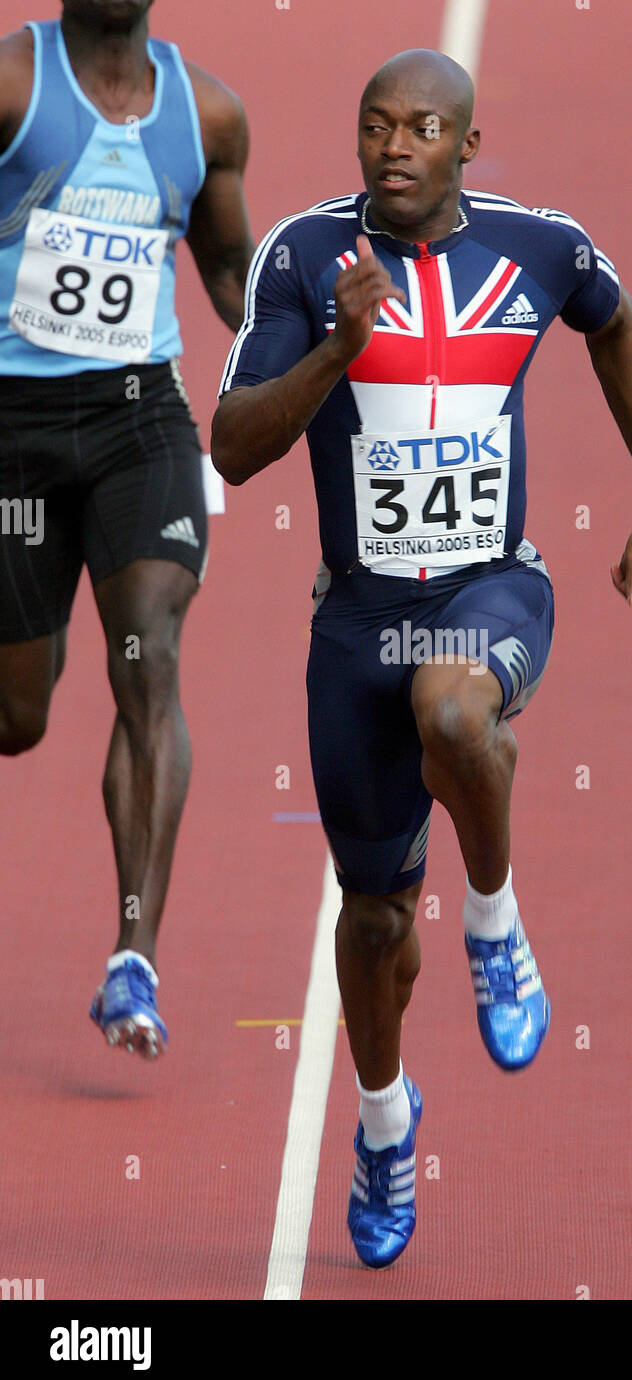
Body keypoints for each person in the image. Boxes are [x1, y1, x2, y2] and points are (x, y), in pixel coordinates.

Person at [211, 48, 632, 1268]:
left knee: (460, 715)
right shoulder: (307, 261)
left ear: (466, 145)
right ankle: (382, 1126)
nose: (395, 145)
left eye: (424, 126)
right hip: (352, 624)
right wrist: (333, 350)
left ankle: (492, 915)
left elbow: (615, 324)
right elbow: (231, 445)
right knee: (371, 924)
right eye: (376, 124)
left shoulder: (538, 249)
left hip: (489, 585)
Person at [0, 0, 254, 1058]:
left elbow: (232, 271)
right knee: (18, 715)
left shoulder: (206, 115)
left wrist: (326, 352)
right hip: (10, 423)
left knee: (149, 649)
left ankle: (132, 957)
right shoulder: (14, 87)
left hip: (138, 418)